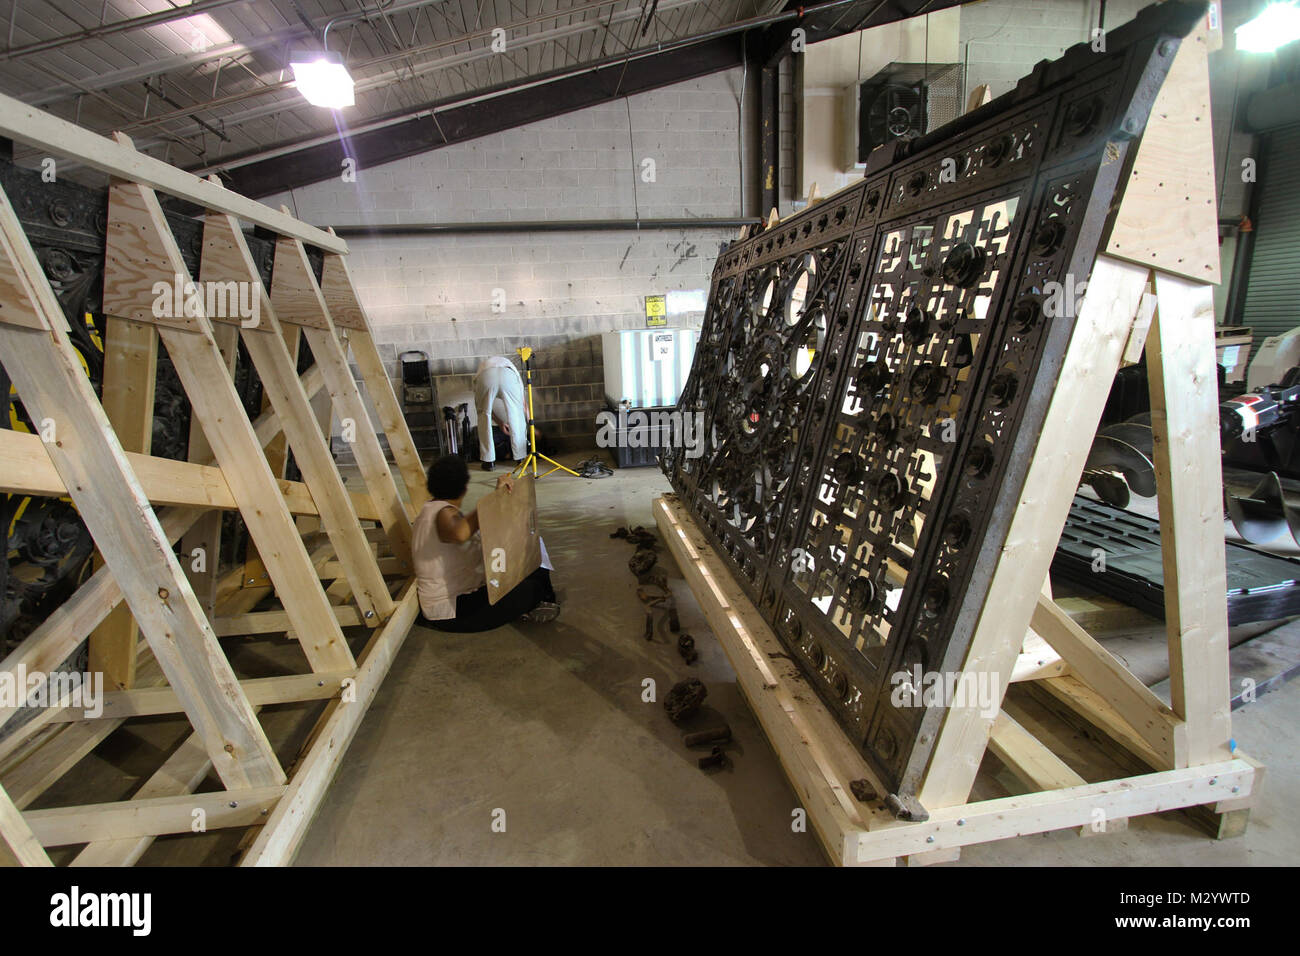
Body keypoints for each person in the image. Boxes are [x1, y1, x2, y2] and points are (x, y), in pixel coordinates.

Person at [413, 454, 559, 632]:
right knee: (532, 588)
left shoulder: (432, 510)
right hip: (451, 610)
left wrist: (497, 501)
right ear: (464, 488)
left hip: (455, 601)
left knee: (529, 559)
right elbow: (459, 533)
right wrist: (491, 501)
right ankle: (538, 601)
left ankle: (536, 600)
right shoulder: (442, 513)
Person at [474, 355, 528, 471]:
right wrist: (530, 423)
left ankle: (488, 461)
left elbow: (486, 411)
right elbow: (523, 406)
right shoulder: (514, 372)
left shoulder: (482, 368)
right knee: (516, 414)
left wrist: (499, 422)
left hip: (486, 376)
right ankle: (521, 458)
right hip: (508, 375)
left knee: (483, 415)